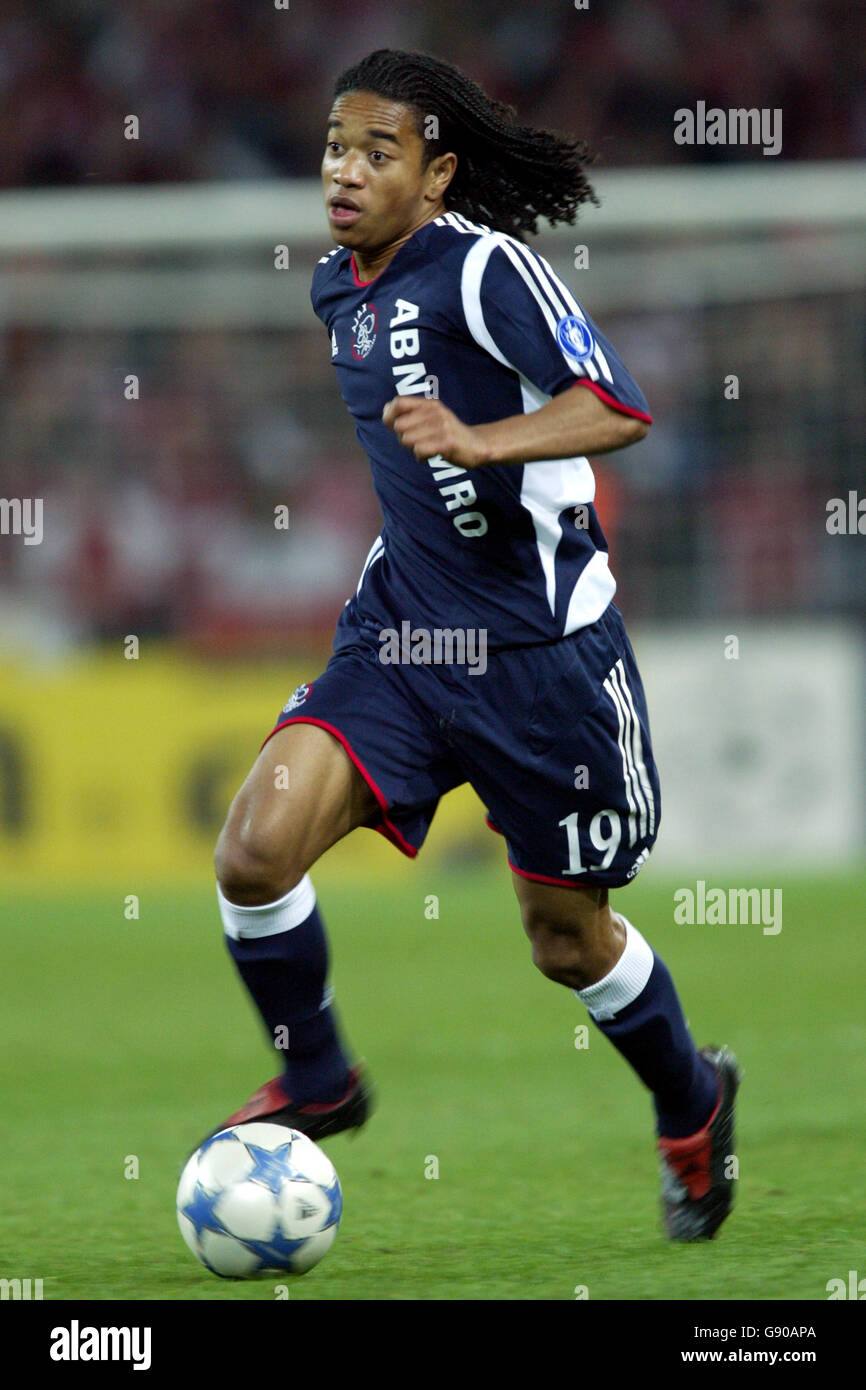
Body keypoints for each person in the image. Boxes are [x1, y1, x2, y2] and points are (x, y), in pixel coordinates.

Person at [206, 49, 739, 1242]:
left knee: (564, 942)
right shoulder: (334, 287)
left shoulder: (489, 268)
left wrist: (480, 440)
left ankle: (692, 1102)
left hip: (544, 663)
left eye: (376, 152)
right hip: (402, 634)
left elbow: (615, 405)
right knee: (252, 854)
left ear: (436, 174)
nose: (343, 171)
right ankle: (320, 1079)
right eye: (335, 148)